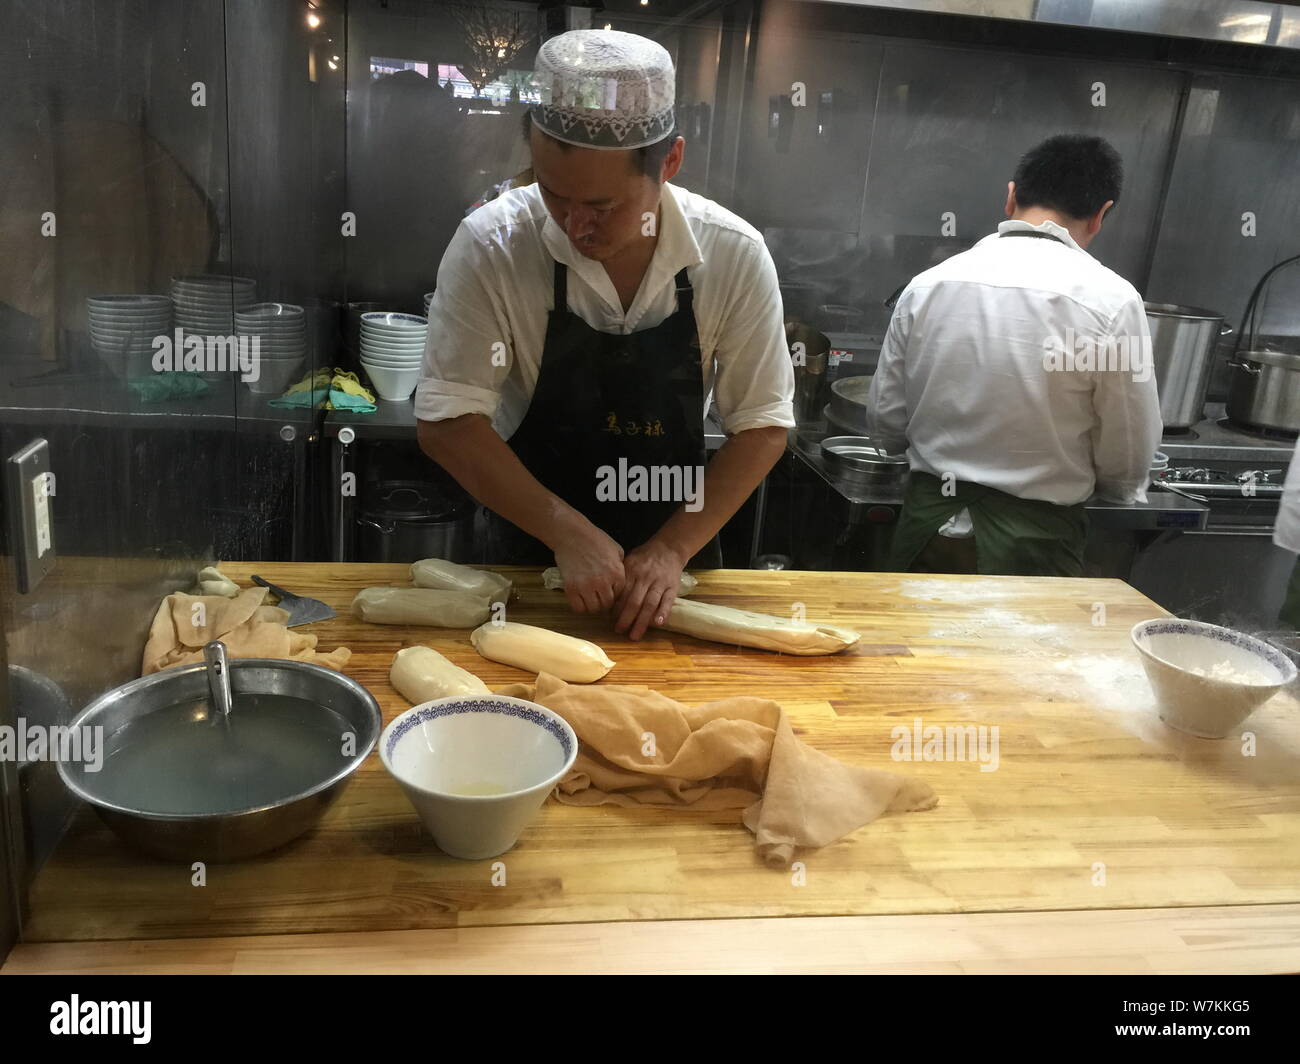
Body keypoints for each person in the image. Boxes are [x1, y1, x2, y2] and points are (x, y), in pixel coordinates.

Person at [416, 30, 793, 639]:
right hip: (524, 557)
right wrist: (566, 531)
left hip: (676, 568)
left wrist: (671, 549)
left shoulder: (733, 255)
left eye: (601, 203)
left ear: (668, 162)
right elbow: (446, 422)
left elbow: (763, 426)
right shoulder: (491, 246)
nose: (576, 226)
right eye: (554, 194)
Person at [867, 134, 1162, 576]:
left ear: (1011, 197)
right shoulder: (1115, 302)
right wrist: (1118, 491)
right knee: (1020, 649)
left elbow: (886, 423)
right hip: (1033, 550)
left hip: (928, 534)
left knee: (917, 646)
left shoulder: (927, 284)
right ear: (1101, 215)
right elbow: (1129, 453)